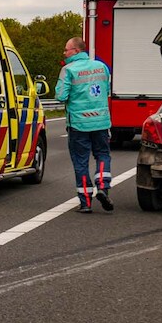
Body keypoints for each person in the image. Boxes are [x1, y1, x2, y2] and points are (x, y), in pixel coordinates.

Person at [55, 37, 113, 213]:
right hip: (101, 122)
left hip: (79, 124)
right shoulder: (101, 67)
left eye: (66, 50)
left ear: (76, 50)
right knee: (102, 155)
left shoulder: (68, 70)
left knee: (81, 162)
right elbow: (106, 91)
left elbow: (60, 96)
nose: (64, 53)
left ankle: (86, 202)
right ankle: (102, 186)